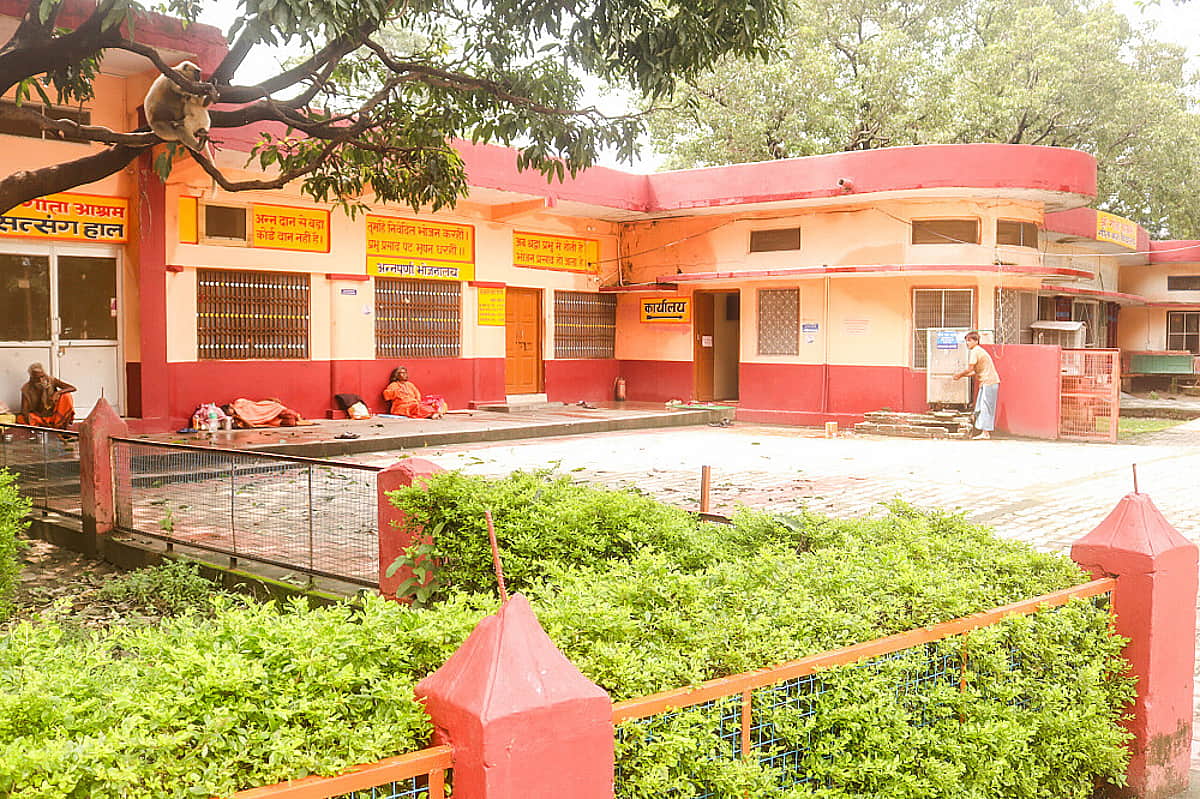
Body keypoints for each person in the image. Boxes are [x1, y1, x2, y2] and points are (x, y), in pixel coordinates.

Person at [953, 332, 1000, 440]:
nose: (967, 343)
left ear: (976, 341)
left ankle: (986, 433)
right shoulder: (979, 351)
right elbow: (974, 372)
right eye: (966, 341)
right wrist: (961, 376)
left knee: (985, 407)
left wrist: (959, 375)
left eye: (969, 340)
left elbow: (970, 369)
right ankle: (981, 430)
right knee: (979, 406)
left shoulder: (975, 351)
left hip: (989, 382)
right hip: (987, 382)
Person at [17, 363, 76, 429]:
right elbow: (24, 410)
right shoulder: (26, 389)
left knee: (66, 396)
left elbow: (72, 388)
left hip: (55, 415)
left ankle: (62, 425)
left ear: (45, 374)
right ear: (31, 377)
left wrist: (57, 393)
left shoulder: (51, 380)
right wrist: (30, 418)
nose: (40, 380)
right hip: (40, 417)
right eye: (37, 378)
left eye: (42, 376)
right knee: (21, 418)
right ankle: (45, 427)